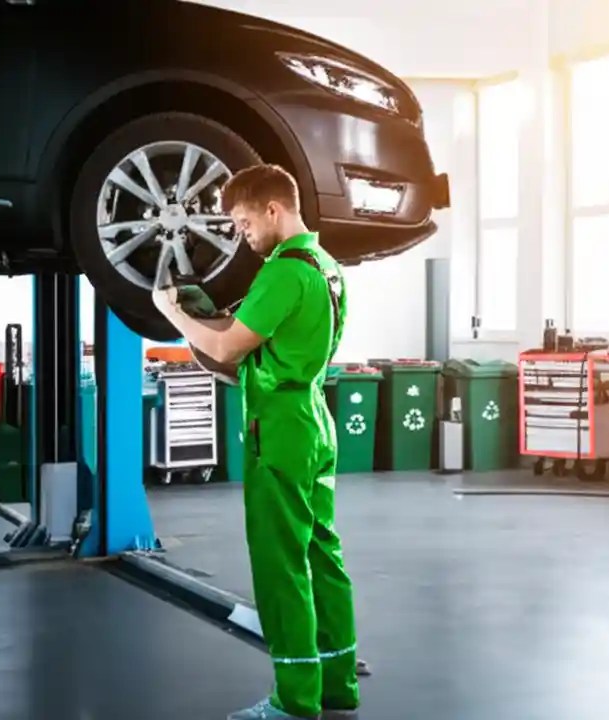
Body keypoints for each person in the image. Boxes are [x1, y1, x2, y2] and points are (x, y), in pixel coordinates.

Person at [151, 163, 358, 719]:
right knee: (322, 551)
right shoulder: (328, 267)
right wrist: (212, 321)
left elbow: (228, 350)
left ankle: (294, 701)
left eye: (244, 223)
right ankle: (338, 681)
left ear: (273, 209)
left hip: (280, 427)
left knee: (280, 562)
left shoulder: (284, 272)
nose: (242, 235)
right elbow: (260, 342)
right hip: (314, 416)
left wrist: (173, 314)